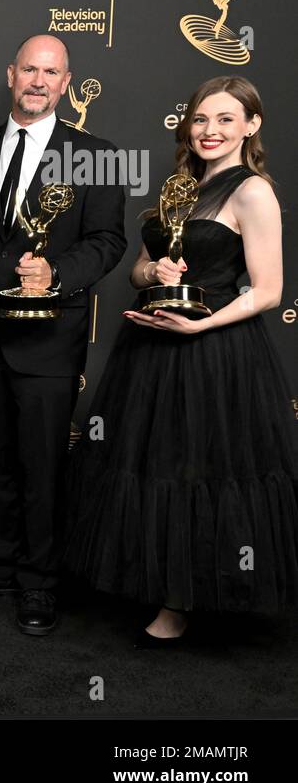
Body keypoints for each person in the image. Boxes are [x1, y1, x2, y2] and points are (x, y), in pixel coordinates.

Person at [65, 75, 298, 645]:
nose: (209, 130)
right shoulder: (179, 186)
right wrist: (156, 274)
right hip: (152, 346)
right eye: (200, 119)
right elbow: (140, 268)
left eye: (224, 119)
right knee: (154, 465)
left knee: (199, 468)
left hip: (215, 351)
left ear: (252, 125)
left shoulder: (252, 191)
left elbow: (269, 289)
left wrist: (203, 324)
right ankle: (159, 588)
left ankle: (184, 601)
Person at [0, 35, 126, 635]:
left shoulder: (92, 155)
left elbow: (107, 241)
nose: (38, 81)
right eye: (29, 69)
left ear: (66, 83)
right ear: (10, 74)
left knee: (42, 463)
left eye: (51, 72)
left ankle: (39, 583)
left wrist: (56, 275)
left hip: (49, 337)